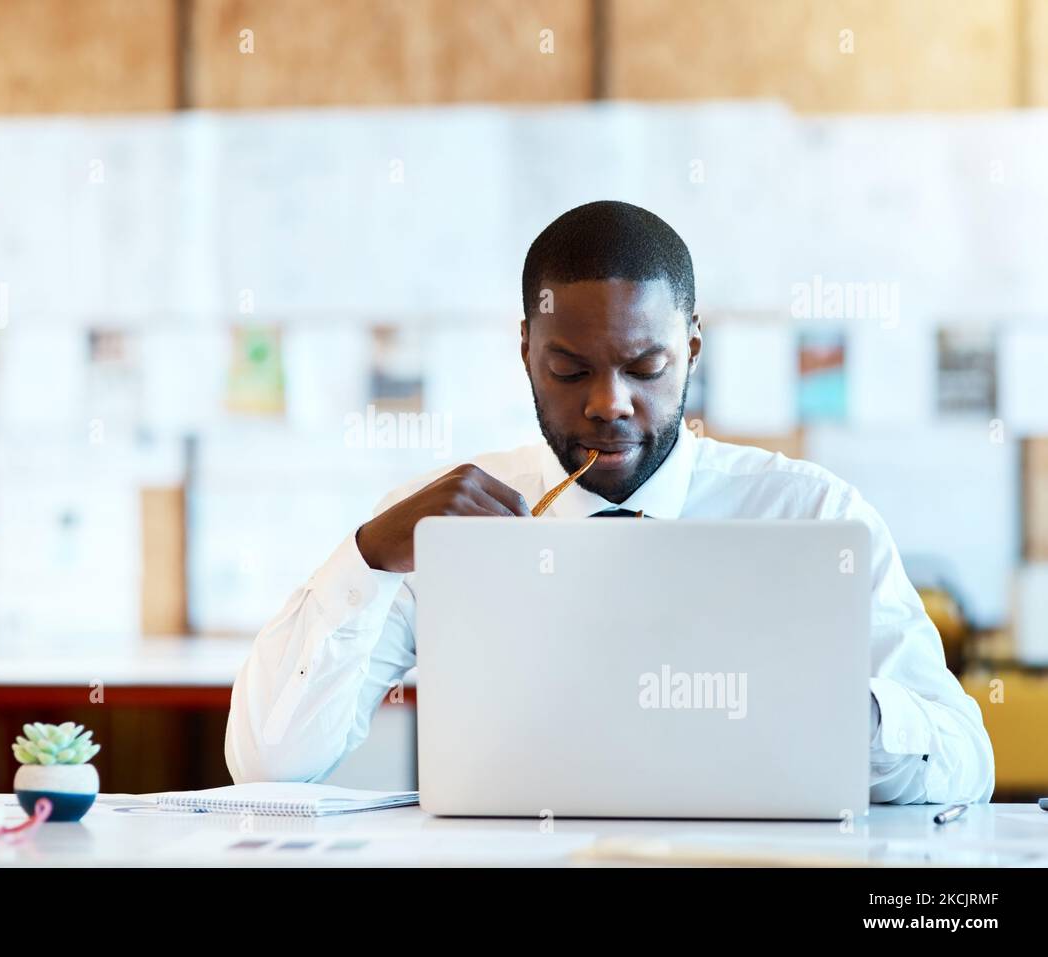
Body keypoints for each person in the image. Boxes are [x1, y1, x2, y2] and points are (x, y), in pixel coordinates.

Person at [225, 200, 995, 805]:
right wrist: (367, 556)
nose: (609, 404)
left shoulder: (811, 516)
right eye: (567, 369)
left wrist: (813, 702)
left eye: (646, 365)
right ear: (525, 348)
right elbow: (267, 764)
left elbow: (966, 761)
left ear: (692, 348)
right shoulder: (449, 528)